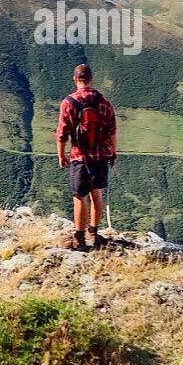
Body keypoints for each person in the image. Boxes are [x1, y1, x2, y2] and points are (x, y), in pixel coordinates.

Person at [55, 63, 117, 251]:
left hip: (79, 156)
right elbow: (112, 130)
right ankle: (93, 232)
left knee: (79, 196)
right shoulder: (103, 101)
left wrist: (61, 155)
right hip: (100, 156)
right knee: (96, 194)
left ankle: (79, 238)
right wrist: (112, 152)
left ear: (75, 80)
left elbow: (62, 133)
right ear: (90, 79)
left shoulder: (69, 102)